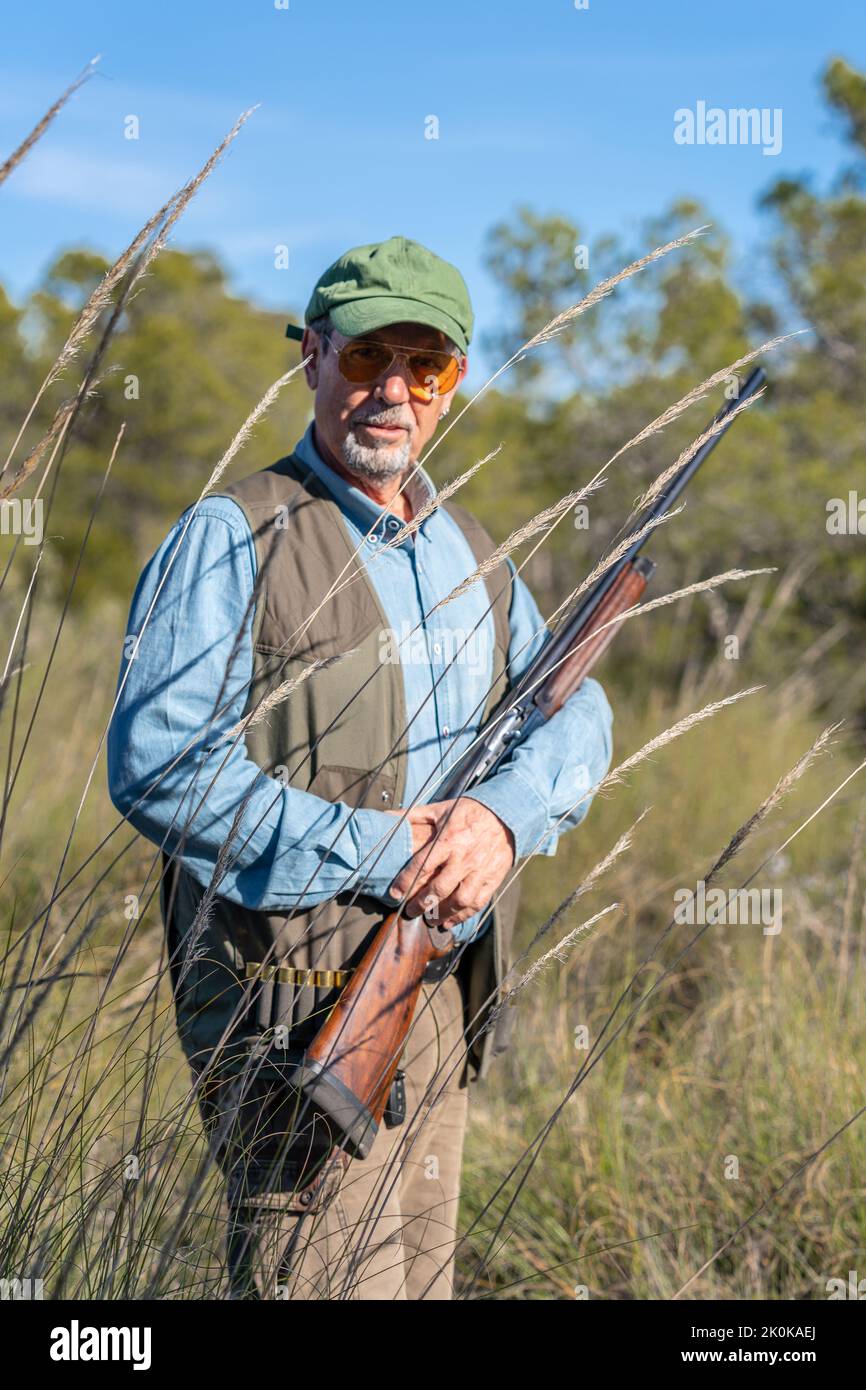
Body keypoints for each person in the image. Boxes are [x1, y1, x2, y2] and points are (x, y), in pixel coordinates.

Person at [108, 235, 613, 1300]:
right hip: (292, 1014)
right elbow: (159, 763)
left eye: (424, 366)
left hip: (436, 1001)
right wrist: (387, 850)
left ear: (452, 382)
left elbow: (577, 710)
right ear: (312, 357)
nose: (392, 391)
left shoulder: (473, 550)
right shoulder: (232, 535)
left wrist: (503, 818)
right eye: (367, 357)